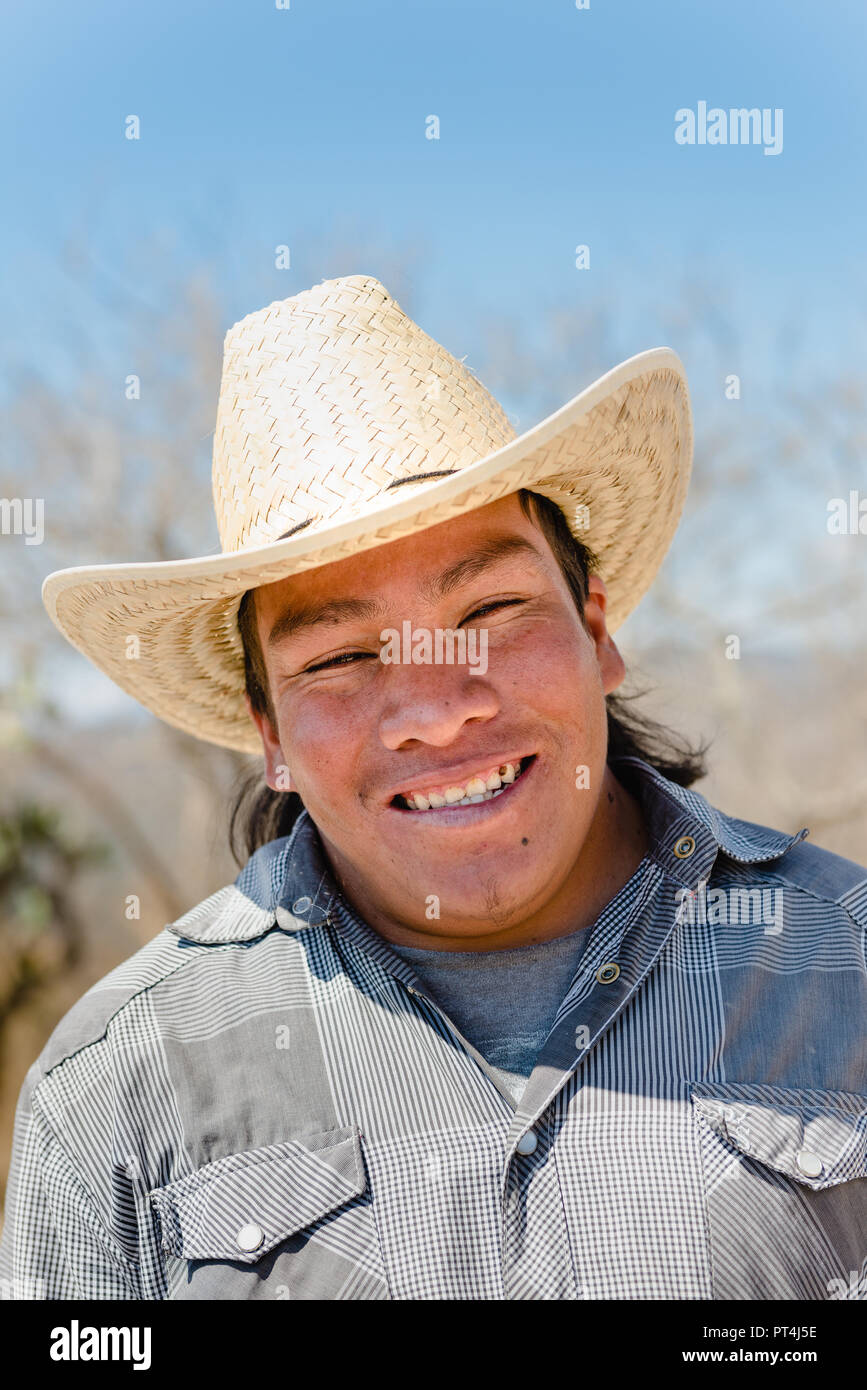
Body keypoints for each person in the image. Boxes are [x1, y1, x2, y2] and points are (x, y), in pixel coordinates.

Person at [1, 275, 864, 1301]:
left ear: (597, 631)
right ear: (269, 733)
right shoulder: (116, 1087)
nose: (436, 708)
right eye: (339, 657)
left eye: (494, 605)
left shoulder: (843, 959)